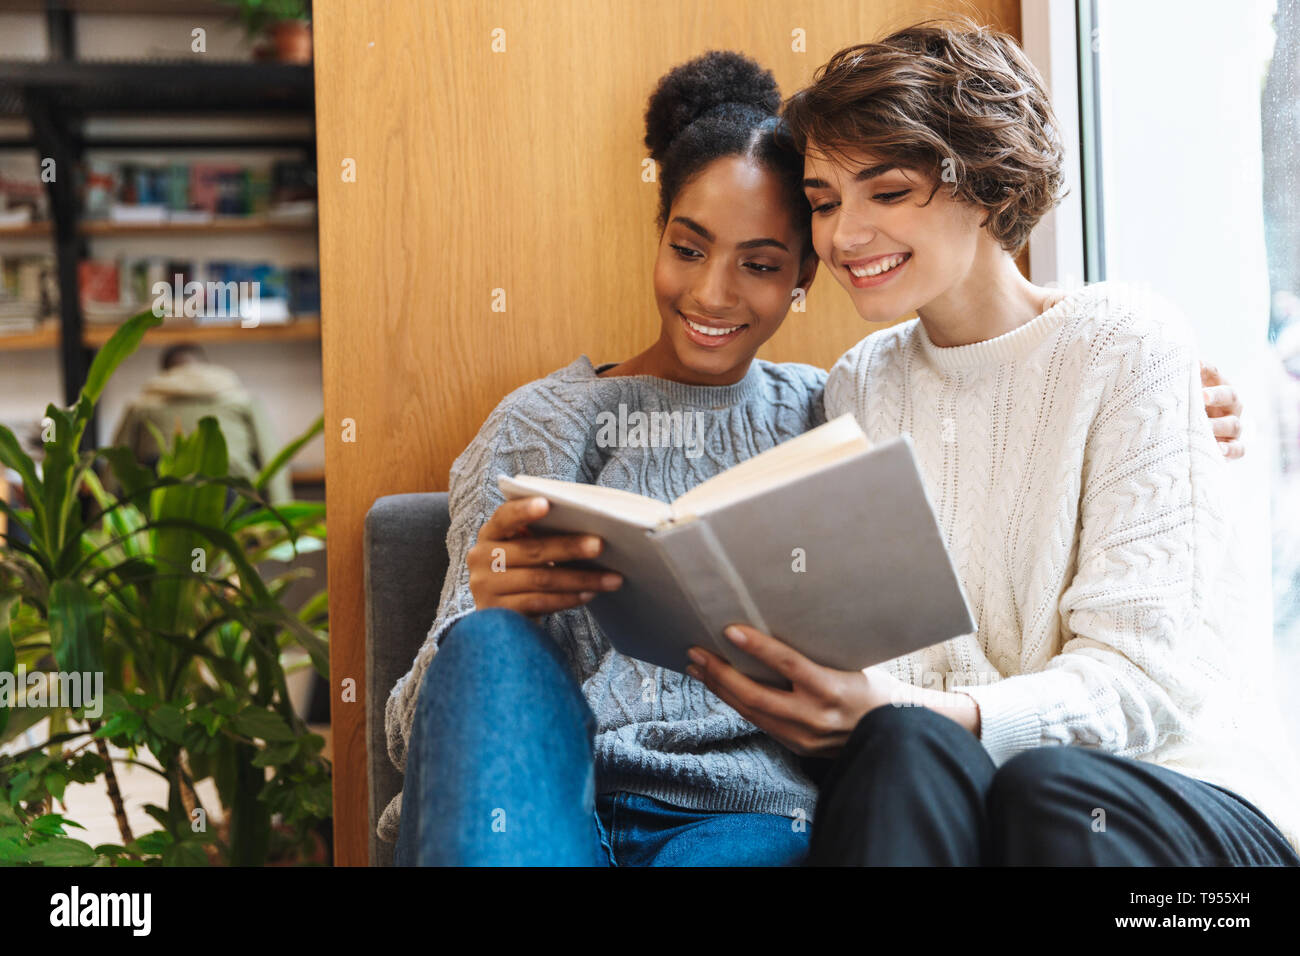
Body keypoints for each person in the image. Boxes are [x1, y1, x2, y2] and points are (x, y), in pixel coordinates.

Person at [387, 48, 1248, 867]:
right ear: (659, 236)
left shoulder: (825, 407)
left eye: (761, 264)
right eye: (688, 248)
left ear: (801, 281)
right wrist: (483, 604)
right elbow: (419, 726)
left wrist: (1172, 411)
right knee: (487, 639)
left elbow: (1031, 406)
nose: (713, 292)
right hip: (551, 793)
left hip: (756, 810)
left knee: (925, 757)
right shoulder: (561, 416)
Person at [682, 19, 1300, 866]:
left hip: (1190, 812)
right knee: (900, 749)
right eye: (824, 202)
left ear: (987, 185)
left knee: (1040, 785)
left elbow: (1147, 686)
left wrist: (925, 714)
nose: (843, 235)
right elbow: (893, 682)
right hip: (973, 796)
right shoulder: (860, 385)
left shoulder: (1125, 346)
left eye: (887, 192)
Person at [109, 343, 292, 505]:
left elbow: (115, 465)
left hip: (162, 501)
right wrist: (281, 522)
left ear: (165, 373)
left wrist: (98, 528)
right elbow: (272, 461)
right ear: (205, 367)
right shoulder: (244, 400)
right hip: (232, 497)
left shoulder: (140, 405)